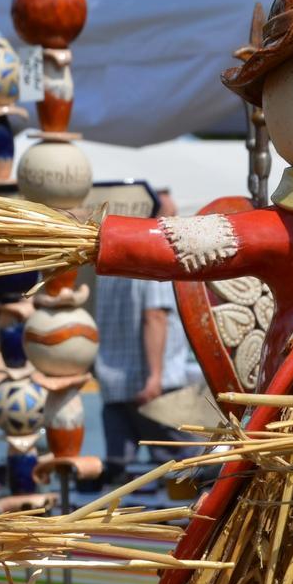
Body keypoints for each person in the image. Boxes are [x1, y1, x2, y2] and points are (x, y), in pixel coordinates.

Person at [92, 188, 191, 480]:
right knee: (182, 472)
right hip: (153, 388)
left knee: (121, 477)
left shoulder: (110, 260)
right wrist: (154, 377)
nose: (174, 226)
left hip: (114, 385)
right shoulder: (152, 256)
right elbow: (155, 316)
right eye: (170, 218)